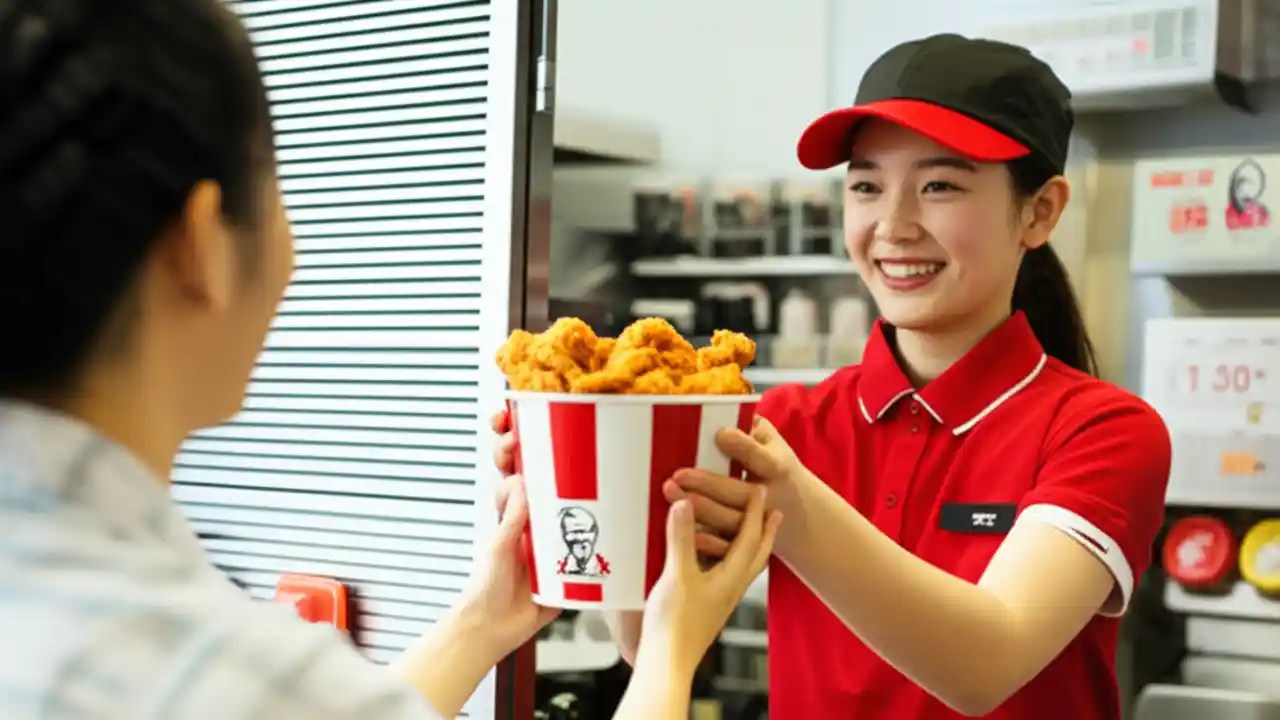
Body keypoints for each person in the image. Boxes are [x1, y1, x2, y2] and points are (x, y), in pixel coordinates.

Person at [0, 1, 779, 718]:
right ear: (200, 243)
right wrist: (670, 649)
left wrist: (483, 622)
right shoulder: (218, 668)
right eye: (278, 191)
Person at [495, 34, 1173, 719]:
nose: (893, 225)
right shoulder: (783, 423)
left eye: (940, 186)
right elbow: (654, 646)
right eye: (867, 186)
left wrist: (798, 507)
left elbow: (988, 663)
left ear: (1040, 210)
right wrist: (602, 488)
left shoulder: (1104, 432)